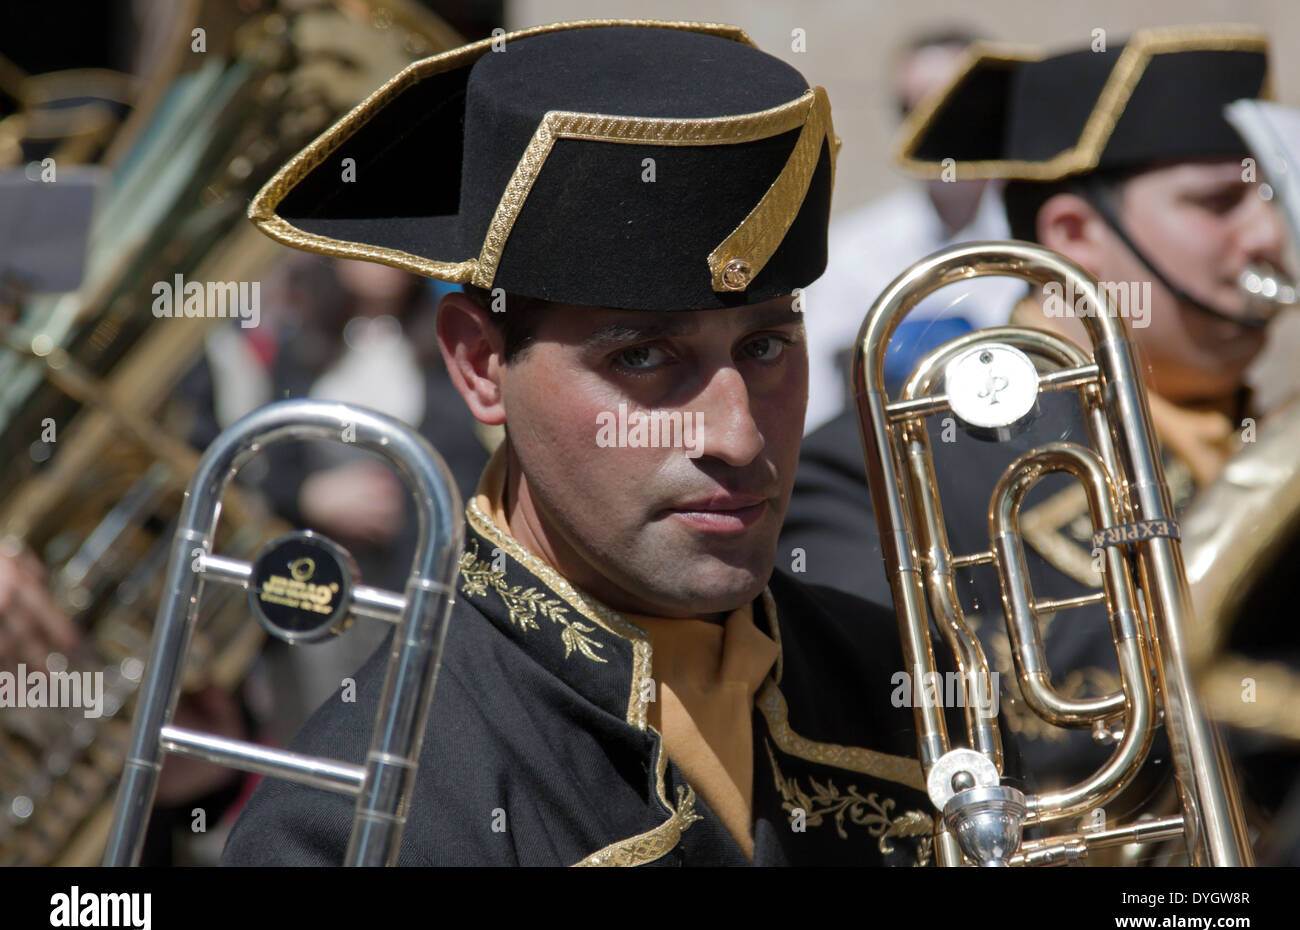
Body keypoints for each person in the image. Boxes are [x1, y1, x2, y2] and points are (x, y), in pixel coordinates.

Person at [220, 21, 992, 867]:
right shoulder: (356, 822)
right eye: (644, 356)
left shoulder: (919, 685)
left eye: (765, 347)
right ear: (482, 366)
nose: (736, 436)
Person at [781, 26, 1287, 813]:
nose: (1269, 234)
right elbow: (891, 750)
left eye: (1267, 196)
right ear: (1074, 240)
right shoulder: (881, 470)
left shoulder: (1269, 440)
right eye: (1218, 201)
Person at [802, 29, 1025, 433]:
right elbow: (817, 403)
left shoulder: (1051, 236)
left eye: (958, 106)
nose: (937, 128)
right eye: (916, 109)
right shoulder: (851, 250)